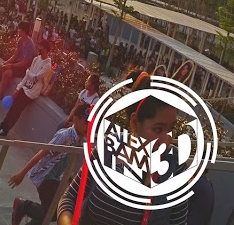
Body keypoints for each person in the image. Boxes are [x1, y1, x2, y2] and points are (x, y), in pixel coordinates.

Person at [58, 74, 194, 224]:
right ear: (135, 122)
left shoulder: (175, 166)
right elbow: (70, 198)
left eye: (171, 128)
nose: (167, 139)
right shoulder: (108, 148)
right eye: (158, 129)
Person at [6, 110, 85, 225]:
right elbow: (43, 152)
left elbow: (67, 162)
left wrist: (70, 180)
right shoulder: (65, 136)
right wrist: (22, 173)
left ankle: (24, 208)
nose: (88, 127)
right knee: (52, 213)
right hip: (45, 176)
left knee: (49, 211)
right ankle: (23, 206)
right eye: (86, 123)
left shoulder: (79, 140)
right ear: (76, 119)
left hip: (56, 178)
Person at [0, 39, 55, 138]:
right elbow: (28, 76)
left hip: (31, 93)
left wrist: (28, 72)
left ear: (46, 49)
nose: (38, 49)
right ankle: (2, 126)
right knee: (12, 108)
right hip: (24, 88)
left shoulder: (47, 65)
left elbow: (35, 77)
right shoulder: (36, 59)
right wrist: (18, 87)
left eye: (41, 48)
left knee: (16, 111)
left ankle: (5, 130)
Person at [0, 22, 37, 100]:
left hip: (23, 68)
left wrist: (11, 66)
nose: (18, 30)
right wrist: (6, 62)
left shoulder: (30, 45)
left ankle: (0, 95)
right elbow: (15, 56)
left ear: (24, 31)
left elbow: (24, 63)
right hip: (17, 63)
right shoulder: (20, 40)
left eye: (19, 29)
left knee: (7, 73)